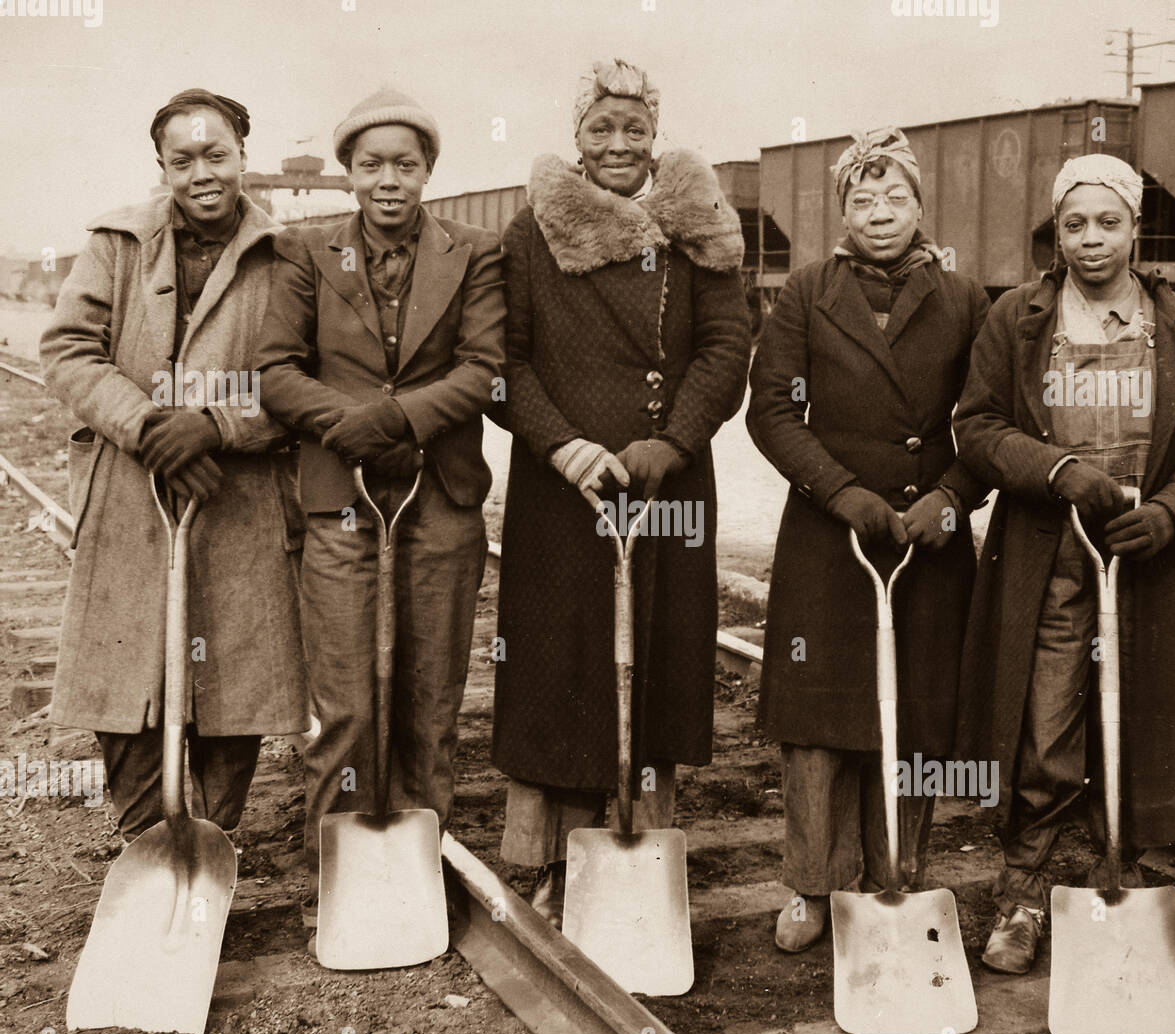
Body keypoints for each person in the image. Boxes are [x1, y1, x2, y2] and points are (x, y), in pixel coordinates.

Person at [953, 153, 1175, 975]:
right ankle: (1023, 893)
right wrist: (1054, 469)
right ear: (1056, 232)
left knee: (1138, 716)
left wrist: (1170, 514)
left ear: (1135, 227)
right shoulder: (1017, 316)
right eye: (1074, 224)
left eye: (1108, 222)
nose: (1091, 240)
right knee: (1046, 724)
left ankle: (1118, 872)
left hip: (1144, 562)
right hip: (1050, 558)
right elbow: (975, 425)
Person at [490, 59, 751, 927]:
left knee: (659, 656)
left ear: (654, 135)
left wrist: (670, 441)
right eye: (600, 128)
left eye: (633, 128)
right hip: (562, 488)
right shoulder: (532, 233)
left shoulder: (700, 227)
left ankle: (642, 835)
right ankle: (547, 856)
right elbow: (505, 361)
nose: (617, 145)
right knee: (559, 660)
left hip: (664, 482)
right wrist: (565, 447)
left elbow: (726, 347)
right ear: (577, 136)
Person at [253, 89, 505, 944]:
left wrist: (402, 420)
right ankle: (343, 869)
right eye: (371, 164)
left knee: (432, 697)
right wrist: (352, 427)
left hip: (441, 494)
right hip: (341, 493)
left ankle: (424, 867)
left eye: (406, 164)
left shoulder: (474, 250)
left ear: (430, 169)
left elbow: (483, 368)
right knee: (349, 699)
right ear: (349, 171)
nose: (388, 180)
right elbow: (278, 371)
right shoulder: (303, 250)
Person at [39, 89, 309, 843]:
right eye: (183, 159)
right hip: (131, 492)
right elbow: (67, 349)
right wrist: (153, 426)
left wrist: (217, 425)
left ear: (243, 156)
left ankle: (211, 842)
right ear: (161, 165)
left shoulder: (286, 254)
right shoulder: (116, 243)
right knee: (123, 675)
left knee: (235, 678)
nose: (202, 173)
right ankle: (143, 847)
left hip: (239, 496)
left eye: (216, 154)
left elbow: (304, 378)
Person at [747, 127, 990, 952]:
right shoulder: (807, 292)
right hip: (831, 535)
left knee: (913, 709)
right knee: (817, 714)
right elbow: (772, 411)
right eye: (862, 199)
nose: (879, 213)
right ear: (841, 210)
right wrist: (839, 489)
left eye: (896, 199)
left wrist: (953, 499)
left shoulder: (963, 299)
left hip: (926, 542)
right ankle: (813, 886)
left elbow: (992, 424)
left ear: (921, 207)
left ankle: (900, 870)